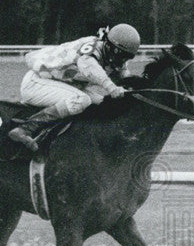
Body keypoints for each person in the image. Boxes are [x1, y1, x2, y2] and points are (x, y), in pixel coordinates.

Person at [7, 23, 141, 152]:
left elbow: (125, 78)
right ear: (111, 46)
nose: (123, 60)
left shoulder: (112, 57)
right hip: (36, 82)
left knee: (102, 103)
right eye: (121, 55)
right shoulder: (93, 47)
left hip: (59, 84)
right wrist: (111, 87)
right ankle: (25, 129)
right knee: (81, 100)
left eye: (127, 57)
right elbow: (88, 65)